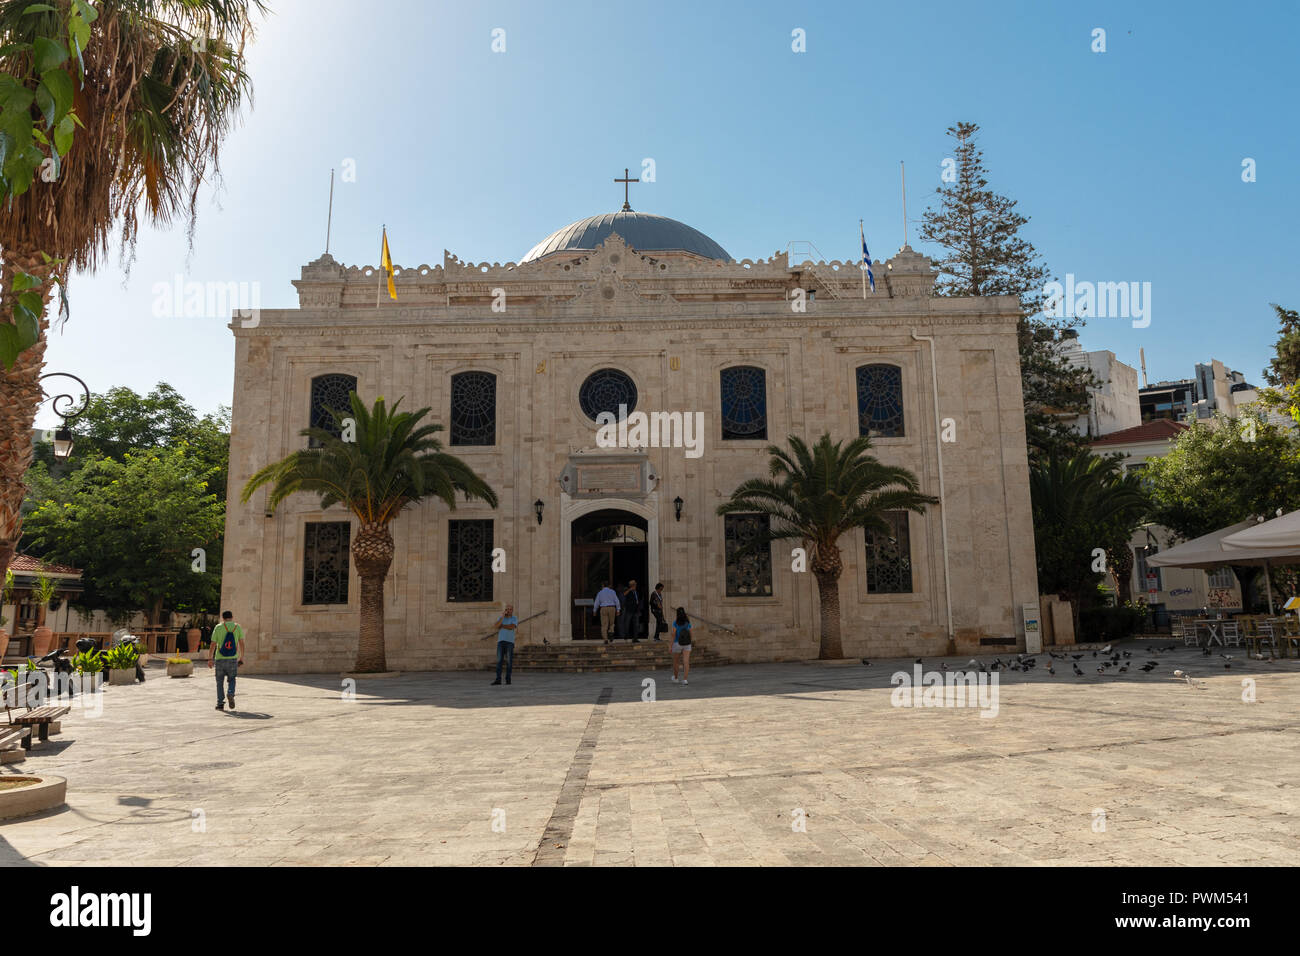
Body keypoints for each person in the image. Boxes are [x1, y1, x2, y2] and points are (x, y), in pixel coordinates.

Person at [207, 610, 244, 711]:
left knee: (219, 682)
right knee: (232, 679)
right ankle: (230, 693)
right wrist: (241, 657)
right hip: (232, 658)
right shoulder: (237, 627)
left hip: (219, 659)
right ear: (232, 617)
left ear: (223, 618)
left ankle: (220, 704)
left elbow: (213, 644)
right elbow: (241, 643)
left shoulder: (218, 627)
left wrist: (210, 658)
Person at [491, 604, 518, 685]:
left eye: (510, 609)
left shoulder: (514, 618)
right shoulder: (501, 618)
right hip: (501, 641)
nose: (508, 611)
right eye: (507, 609)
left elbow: (512, 627)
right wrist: (502, 617)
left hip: (510, 642)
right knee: (499, 661)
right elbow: (496, 626)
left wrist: (502, 626)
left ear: (512, 610)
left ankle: (508, 679)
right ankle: (498, 679)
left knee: (509, 662)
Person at [671, 607, 692, 684]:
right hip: (687, 644)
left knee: (676, 662)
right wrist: (690, 642)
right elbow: (690, 633)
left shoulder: (675, 623)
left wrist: (670, 645)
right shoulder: (687, 623)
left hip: (677, 643)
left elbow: (673, 634)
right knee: (686, 661)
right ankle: (685, 679)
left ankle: (676, 678)